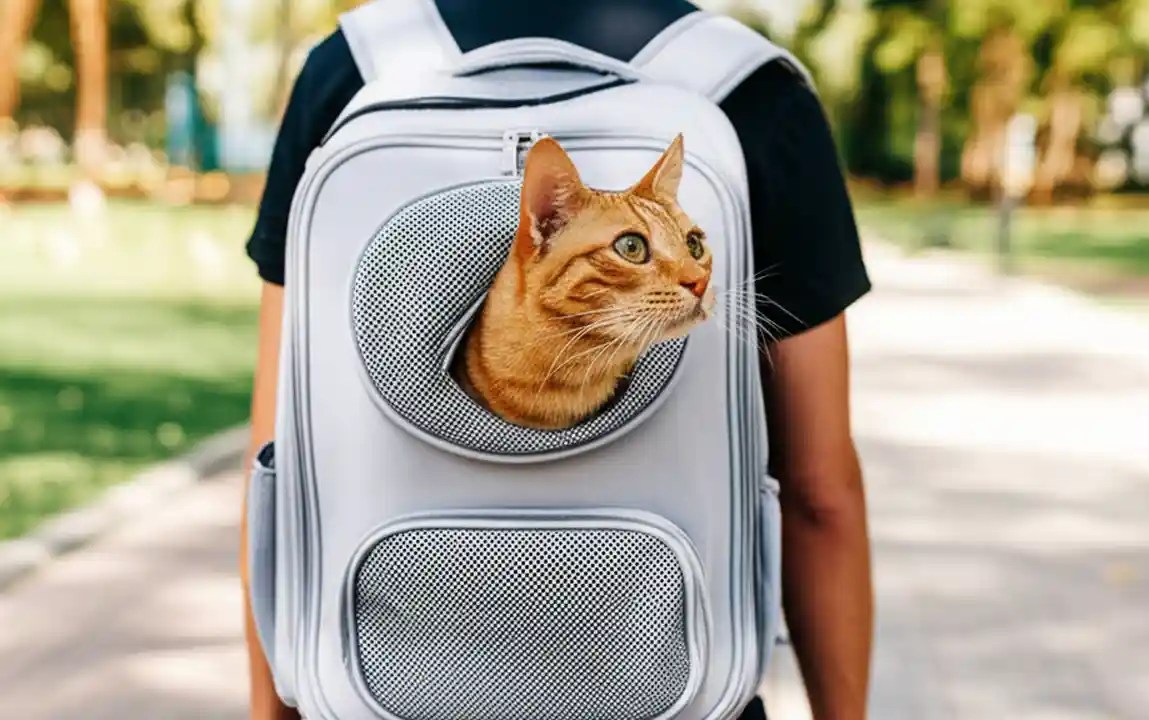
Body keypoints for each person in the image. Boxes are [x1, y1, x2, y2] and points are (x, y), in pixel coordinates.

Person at [242, 1, 874, 718]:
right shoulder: (752, 88)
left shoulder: (350, 66)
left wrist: (275, 709)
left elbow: (274, 463)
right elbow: (821, 495)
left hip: (381, 686)